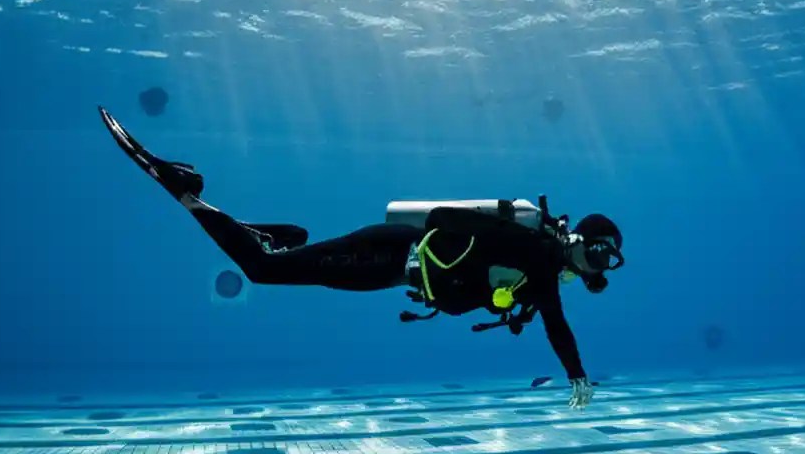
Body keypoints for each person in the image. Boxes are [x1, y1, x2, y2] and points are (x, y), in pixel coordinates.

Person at [98, 107, 625, 409]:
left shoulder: (542, 276)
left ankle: (281, 237)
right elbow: (444, 216)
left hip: (393, 275)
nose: (596, 267)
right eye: (599, 254)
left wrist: (577, 374)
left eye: (606, 264)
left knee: (280, 264)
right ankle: (187, 191)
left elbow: (558, 326)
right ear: (580, 239)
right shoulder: (533, 249)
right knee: (261, 272)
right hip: (391, 252)